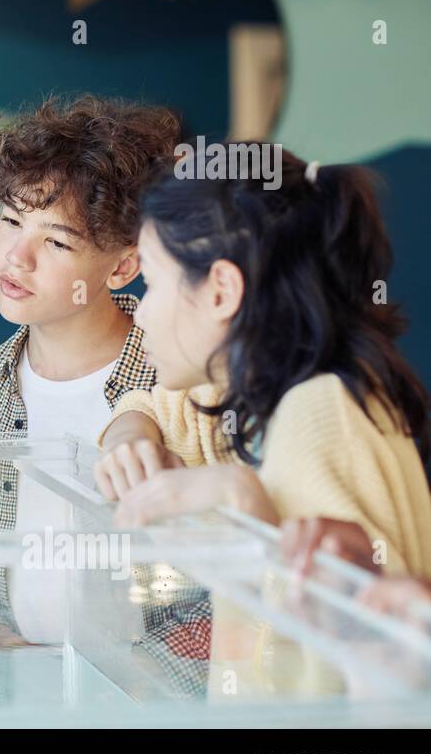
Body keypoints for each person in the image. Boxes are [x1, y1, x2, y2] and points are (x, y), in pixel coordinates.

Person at [94, 149, 431, 576]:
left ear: (221, 291)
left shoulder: (318, 417)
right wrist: (130, 438)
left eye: (152, 283)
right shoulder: (285, 388)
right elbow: (156, 407)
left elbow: (357, 631)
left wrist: (241, 497)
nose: (140, 314)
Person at [0, 95, 181, 646]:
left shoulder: (178, 381)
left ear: (123, 266)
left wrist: (146, 670)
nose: (16, 256)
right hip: (23, 695)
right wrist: (1, 646)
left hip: (151, 697)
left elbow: (218, 581)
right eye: (11, 220)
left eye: (56, 241)